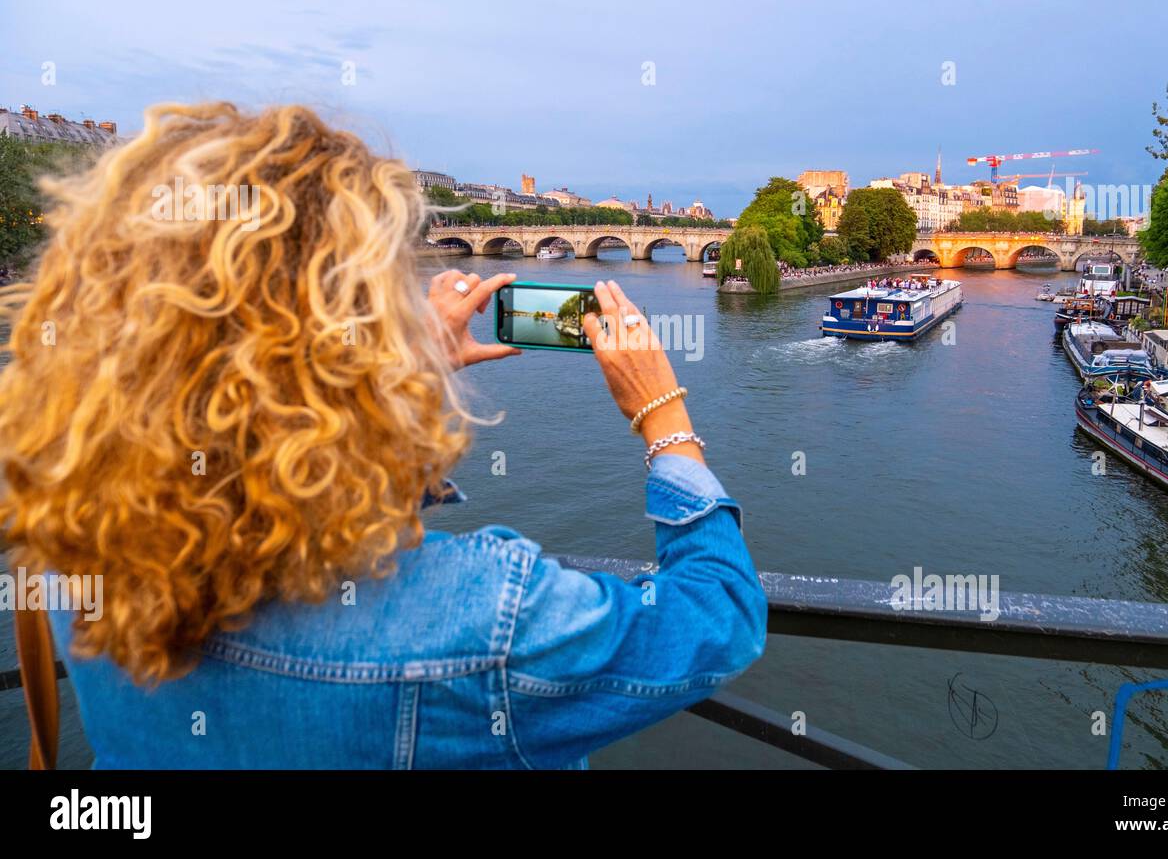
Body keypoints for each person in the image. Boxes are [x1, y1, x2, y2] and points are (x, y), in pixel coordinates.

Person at [0, 102, 766, 769]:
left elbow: (256, 457)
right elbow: (717, 619)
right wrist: (662, 413)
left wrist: (398, 376)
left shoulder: (77, 535)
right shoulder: (480, 615)